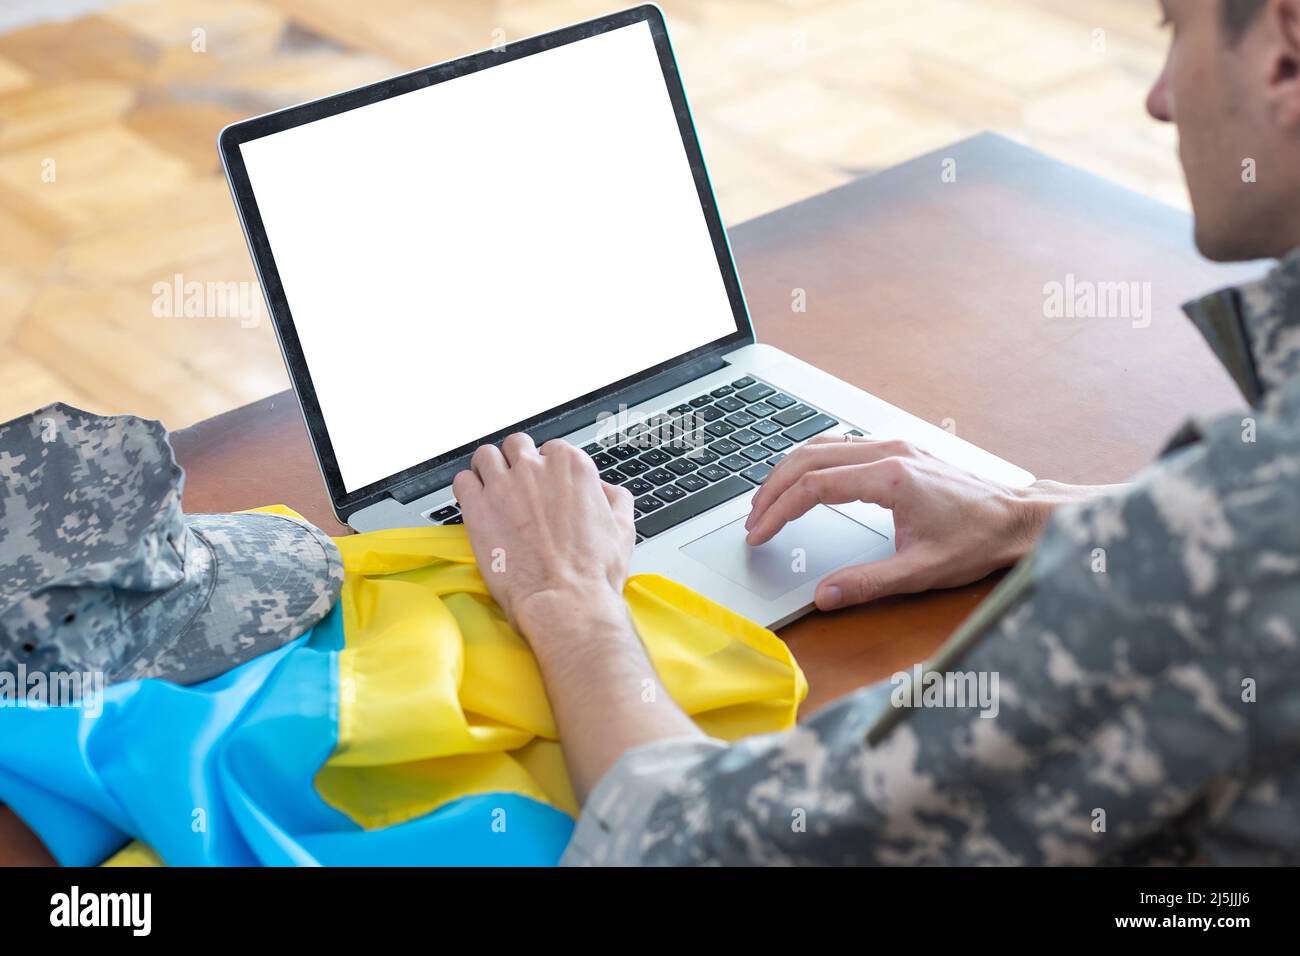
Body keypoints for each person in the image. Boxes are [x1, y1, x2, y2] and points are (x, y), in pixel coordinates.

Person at [453, 0, 1300, 865]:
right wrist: (1025, 514)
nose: (1158, 99)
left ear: (1285, 48)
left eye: (1173, 28)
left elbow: (694, 847)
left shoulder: (1223, 551)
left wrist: (569, 598)